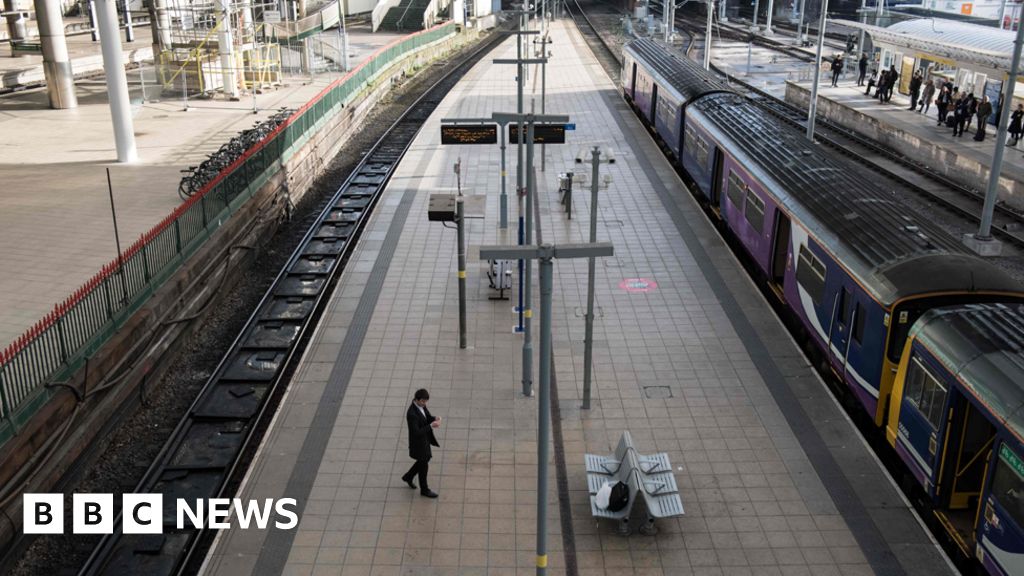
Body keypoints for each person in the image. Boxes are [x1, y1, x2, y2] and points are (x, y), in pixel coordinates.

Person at [401, 388, 442, 498]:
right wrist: (431, 426)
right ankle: (424, 489)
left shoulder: (421, 406)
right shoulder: (412, 414)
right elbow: (416, 432)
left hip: (424, 440)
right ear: (417, 399)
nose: (425, 404)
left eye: (426, 401)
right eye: (423, 401)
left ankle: (408, 476)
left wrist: (434, 418)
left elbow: (427, 417)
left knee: (425, 460)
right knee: (424, 464)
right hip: (418, 443)